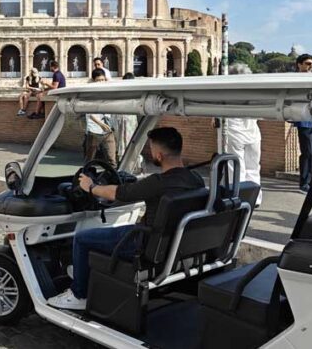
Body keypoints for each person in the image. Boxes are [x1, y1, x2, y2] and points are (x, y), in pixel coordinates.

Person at [47, 127, 204, 310]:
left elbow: (117, 192)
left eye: (151, 149)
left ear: (159, 155)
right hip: (174, 243)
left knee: (81, 239)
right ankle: (83, 270)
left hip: (142, 242)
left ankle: (79, 294)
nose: (150, 151)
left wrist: (91, 187)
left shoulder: (157, 183)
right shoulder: (196, 179)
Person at [226, 64, 263, 206]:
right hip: (253, 133)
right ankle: (255, 198)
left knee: (235, 167)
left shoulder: (229, 92)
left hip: (234, 131)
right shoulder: (253, 92)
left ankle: (239, 197)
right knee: (253, 166)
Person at [294, 54, 312, 193]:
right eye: (307, 63)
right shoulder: (294, 79)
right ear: (299, 64)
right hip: (304, 121)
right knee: (307, 152)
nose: (310, 66)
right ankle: (304, 183)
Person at [84, 69, 117, 167]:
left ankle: (113, 180)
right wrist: (101, 124)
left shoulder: (108, 91)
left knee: (112, 159)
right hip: (94, 130)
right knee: (90, 159)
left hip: (108, 130)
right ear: (94, 80)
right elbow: (89, 113)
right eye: (98, 80)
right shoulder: (89, 94)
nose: (101, 82)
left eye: (103, 80)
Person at [111, 73, 139, 162]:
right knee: (128, 141)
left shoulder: (119, 91)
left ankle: (124, 160)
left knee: (123, 141)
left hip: (123, 118)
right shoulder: (135, 91)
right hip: (127, 118)